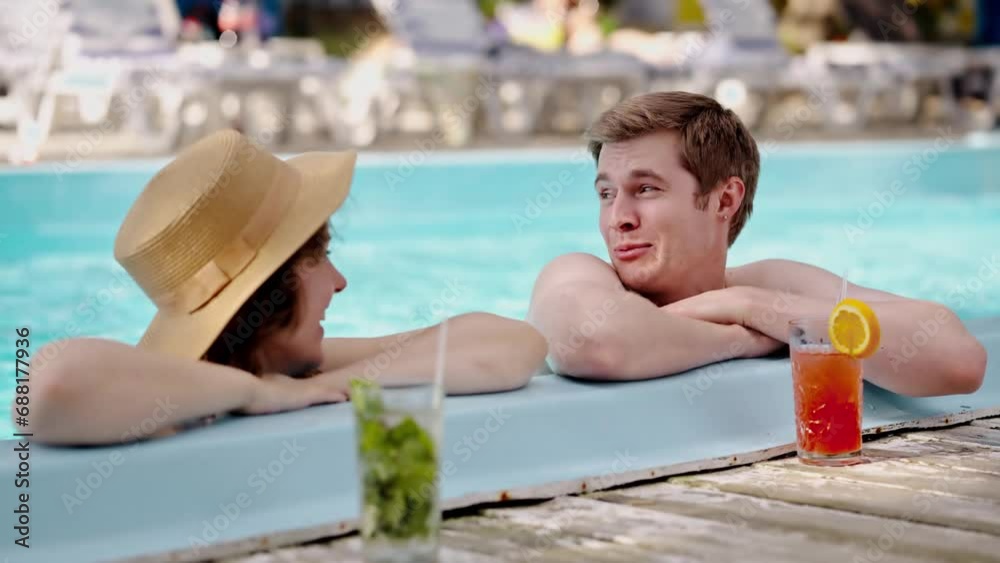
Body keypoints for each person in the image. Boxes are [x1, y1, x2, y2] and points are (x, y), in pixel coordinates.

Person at [26, 130, 548, 445]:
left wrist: (329, 386)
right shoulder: (196, 390)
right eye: (318, 258)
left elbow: (513, 344)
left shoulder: (280, 364)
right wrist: (253, 394)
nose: (339, 282)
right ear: (268, 291)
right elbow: (46, 387)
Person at [528, 91, 987, 397]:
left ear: (724, 199)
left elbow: (958, 356)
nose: (618, 219)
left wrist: (749, 303)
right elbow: (594, 341)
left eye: (645, 189)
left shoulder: (765, 283)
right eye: (606, 193)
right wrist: (743, 338)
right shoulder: (579, 273)